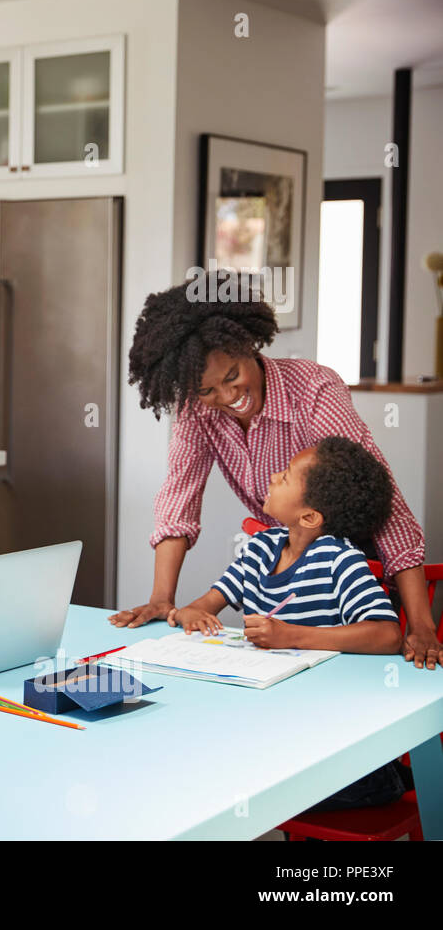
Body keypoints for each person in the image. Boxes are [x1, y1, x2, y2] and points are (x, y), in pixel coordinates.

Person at [109, 275, 439, 670]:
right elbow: (178, 500)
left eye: (232, 376)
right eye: (208, 390)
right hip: (286, 548)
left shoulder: (313, 390)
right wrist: (163, 599)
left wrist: (421, 623)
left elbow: (387, 503)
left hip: (358, 559)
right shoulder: (196, 412)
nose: (229, 397)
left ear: (247, 344)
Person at [170, 437, 409, 811]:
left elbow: (386, 633)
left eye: (284, 477)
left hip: (328, 729)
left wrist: (292, 636)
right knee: (211, 762)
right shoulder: (261, 548)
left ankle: (384, 778)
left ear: (310, 517)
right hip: (276, 723)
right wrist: (193, 613)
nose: (272, 477)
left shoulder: (338, 559)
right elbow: (201, 606)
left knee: (238, 779)